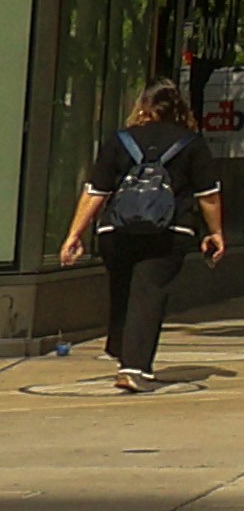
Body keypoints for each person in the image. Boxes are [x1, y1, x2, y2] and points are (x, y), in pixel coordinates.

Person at [56, 79, 223, 394]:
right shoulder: (191, 143)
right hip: (168, 230)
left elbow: (95, 190)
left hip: (115, 230)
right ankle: (133, 367)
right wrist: (215, 233)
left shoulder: (120, 140)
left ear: (142, 107)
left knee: (123, 290)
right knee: (149, 291)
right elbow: (208, 195)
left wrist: (73, 234)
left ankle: (122, 349)